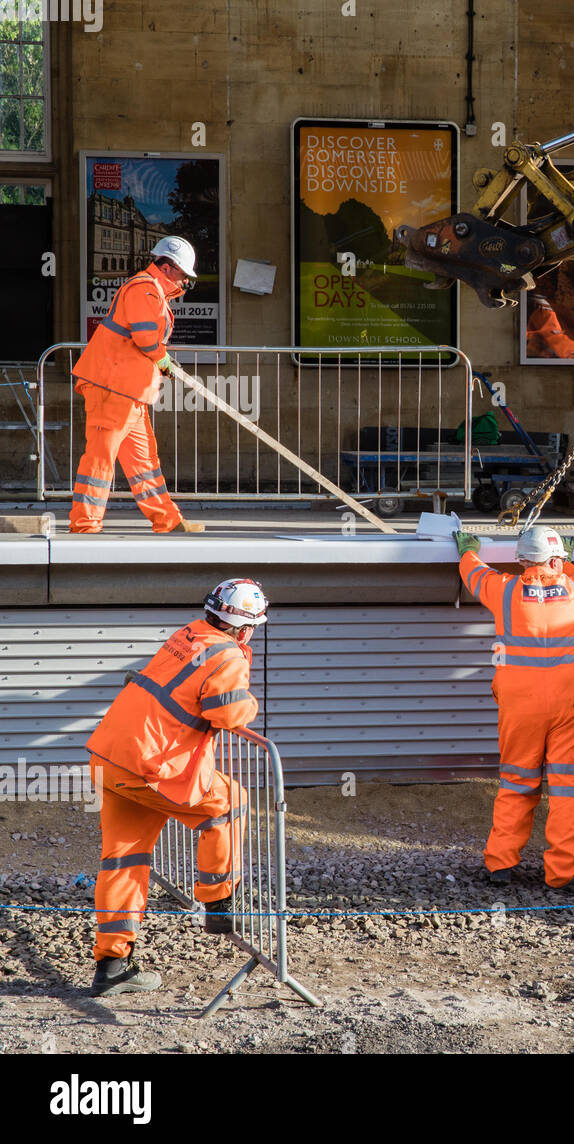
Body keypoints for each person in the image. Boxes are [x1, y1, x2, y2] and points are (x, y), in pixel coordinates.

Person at [87, 578, 267, 996]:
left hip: (112, 756)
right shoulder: (229, 655)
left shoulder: (186, 634)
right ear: (244, 628)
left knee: (123, 860)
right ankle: (219, 902)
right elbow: (228, 712)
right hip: (150, 767)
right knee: (229, 803)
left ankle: (112, 965)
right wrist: (251, 702)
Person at [455, 525, 574, 890]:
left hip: (522, 702)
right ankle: (563, 873)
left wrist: (468, 550)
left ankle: (500, 864)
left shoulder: (504, 590)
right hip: (572, 700)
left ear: (521, 561)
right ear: (556, 559)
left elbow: (474, 573)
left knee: (517, 780)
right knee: (568, 785)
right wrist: (568, 561)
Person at [70, 235, 205, 534]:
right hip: (112, 387)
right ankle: (84, 524)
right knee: (100, 458)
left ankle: (168, 520)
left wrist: (161, 362)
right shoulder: (145, 289)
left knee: (144, 461)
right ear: (168, 267)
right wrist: (163, 360)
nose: (184, 280)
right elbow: (146, 338)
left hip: (127, 390)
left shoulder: (151, 289)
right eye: (183, 273)